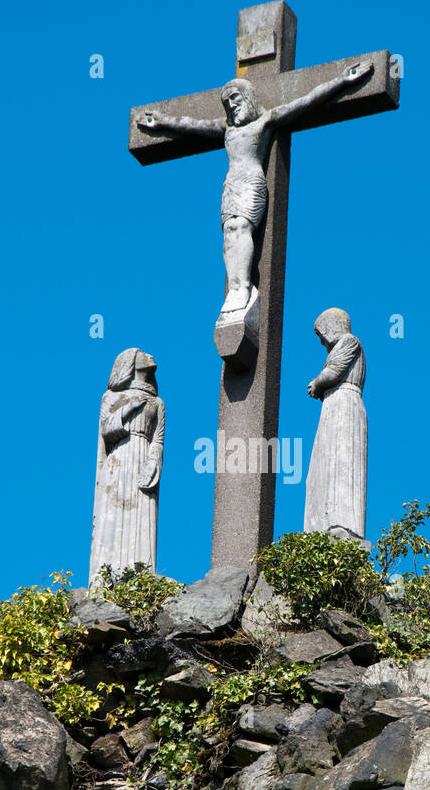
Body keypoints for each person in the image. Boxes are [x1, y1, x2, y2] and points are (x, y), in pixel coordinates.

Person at [138, 62, 373, 318]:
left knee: (241, 226)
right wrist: (163, 122)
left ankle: (244, 288)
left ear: (248, 98)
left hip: (251, 180)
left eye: (235, 98)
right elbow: (191, 124)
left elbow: (306, 101)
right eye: (226, 102)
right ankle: (235, 286)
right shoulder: (226, 128)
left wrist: (341, 80)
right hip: (231, 185)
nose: (231, 105)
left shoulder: (265, 121)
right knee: (229, 232)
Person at [88, 348, 164, 584]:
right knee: (113, 514)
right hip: (118, 460)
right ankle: (106, 576)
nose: (150, 356)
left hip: (142, 458)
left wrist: (153, 461)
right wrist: (129, 408)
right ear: (130, 362)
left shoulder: (157, 402)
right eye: (143, 353)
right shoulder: (111, 397)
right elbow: (106, 431)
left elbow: (158, 438)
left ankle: (138, 578)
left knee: (141, 513)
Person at [304, 308, 367, 540]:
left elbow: (334, 371)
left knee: (341, 464)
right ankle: (322, 523)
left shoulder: (350, 341)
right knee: (322, 468)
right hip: (333, 407)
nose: (322, 343)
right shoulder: (345, 344)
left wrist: (317, 382)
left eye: (321, 335)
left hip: (344, 407)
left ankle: (341, 523)